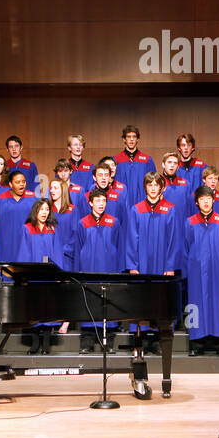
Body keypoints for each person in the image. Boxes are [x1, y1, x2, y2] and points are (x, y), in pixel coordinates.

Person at [17, 200, 75, 354]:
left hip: (49, 276)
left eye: (47, 210)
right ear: (35, 211)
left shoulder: (53, 229)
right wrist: (26, 274)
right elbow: (24, 252)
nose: (44, 212)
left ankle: (47, 343)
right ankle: (35, 343)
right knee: (35, 310)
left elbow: (57, 253)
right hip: (34, 276)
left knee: (48, 309)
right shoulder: (27, 229)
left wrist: (57, 273)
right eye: (41, 209)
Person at [183, 186, 219, 355]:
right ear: (197, 202)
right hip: (196, 270)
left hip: (217, 270)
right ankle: (196, 342)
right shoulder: (190, 222)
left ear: (213, 200)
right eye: (202, 199)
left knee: (218, 303)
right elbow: (186, 246)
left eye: (208, 198)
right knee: (195, 305)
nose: (205, 201)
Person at [74, 188, 124, 353]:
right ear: (90, 203)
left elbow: (119, 245)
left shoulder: (113, 222)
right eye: (97, 201)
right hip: (88, 269)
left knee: (108, 305)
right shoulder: (83, 223)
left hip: (108, 268)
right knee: (89, 303)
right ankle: (87, 341)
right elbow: (78, 247)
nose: (101, 204)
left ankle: (108, 341)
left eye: (103, 201)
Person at [114, 125, 155, 200]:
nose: (131, 139)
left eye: (134, 136)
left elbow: (154, 183)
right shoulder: (116, 160)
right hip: (122, 201)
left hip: (143, 202)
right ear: (124, 139)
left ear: (138, 139)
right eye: (129, 137)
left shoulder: (147, 160)